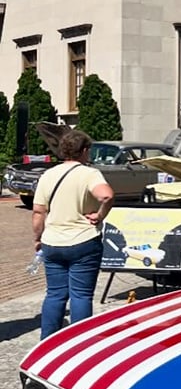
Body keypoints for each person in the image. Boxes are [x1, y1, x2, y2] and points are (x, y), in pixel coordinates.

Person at [32, 129, 115, 340]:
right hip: (83, 240)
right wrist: (99, 215)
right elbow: (106, 195)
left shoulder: (48, 174)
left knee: (55, 294)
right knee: (81, 295)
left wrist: (38, 238)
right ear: (84, 150)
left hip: (52, 240)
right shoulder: (89, 173)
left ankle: (47, 341)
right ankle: (79, 342)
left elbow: (38, 212)